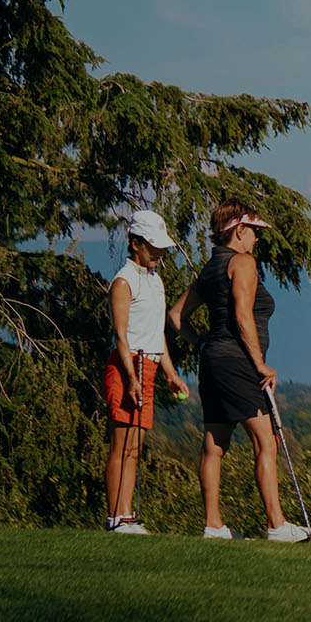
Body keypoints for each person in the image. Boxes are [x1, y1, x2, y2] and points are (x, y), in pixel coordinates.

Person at [169, 201, 311, 542]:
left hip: (213, 362)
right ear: (239, 230)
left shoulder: (211, 268)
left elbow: (176, 317)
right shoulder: (243, 263)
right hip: (239, 362)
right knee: (266, 442)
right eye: (254, 231)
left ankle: (213, 526)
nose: (256, 238)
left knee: (214, 444)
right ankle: (277, 525)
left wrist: (202, 346)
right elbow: (242, 317)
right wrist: (260, 365)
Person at [103, 210, 191, 534]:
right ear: (135, 243)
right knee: (121, 444)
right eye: (152, 247)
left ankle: (127, 515)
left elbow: (158, 334)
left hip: (150, 366)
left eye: (161, 248)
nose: (159, 254)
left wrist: (170, 373)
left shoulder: (156, 281)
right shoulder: (123, 281)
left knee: (135, 447)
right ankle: (117, 516)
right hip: (127, 368)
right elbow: (121, 335)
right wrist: (131, 378)